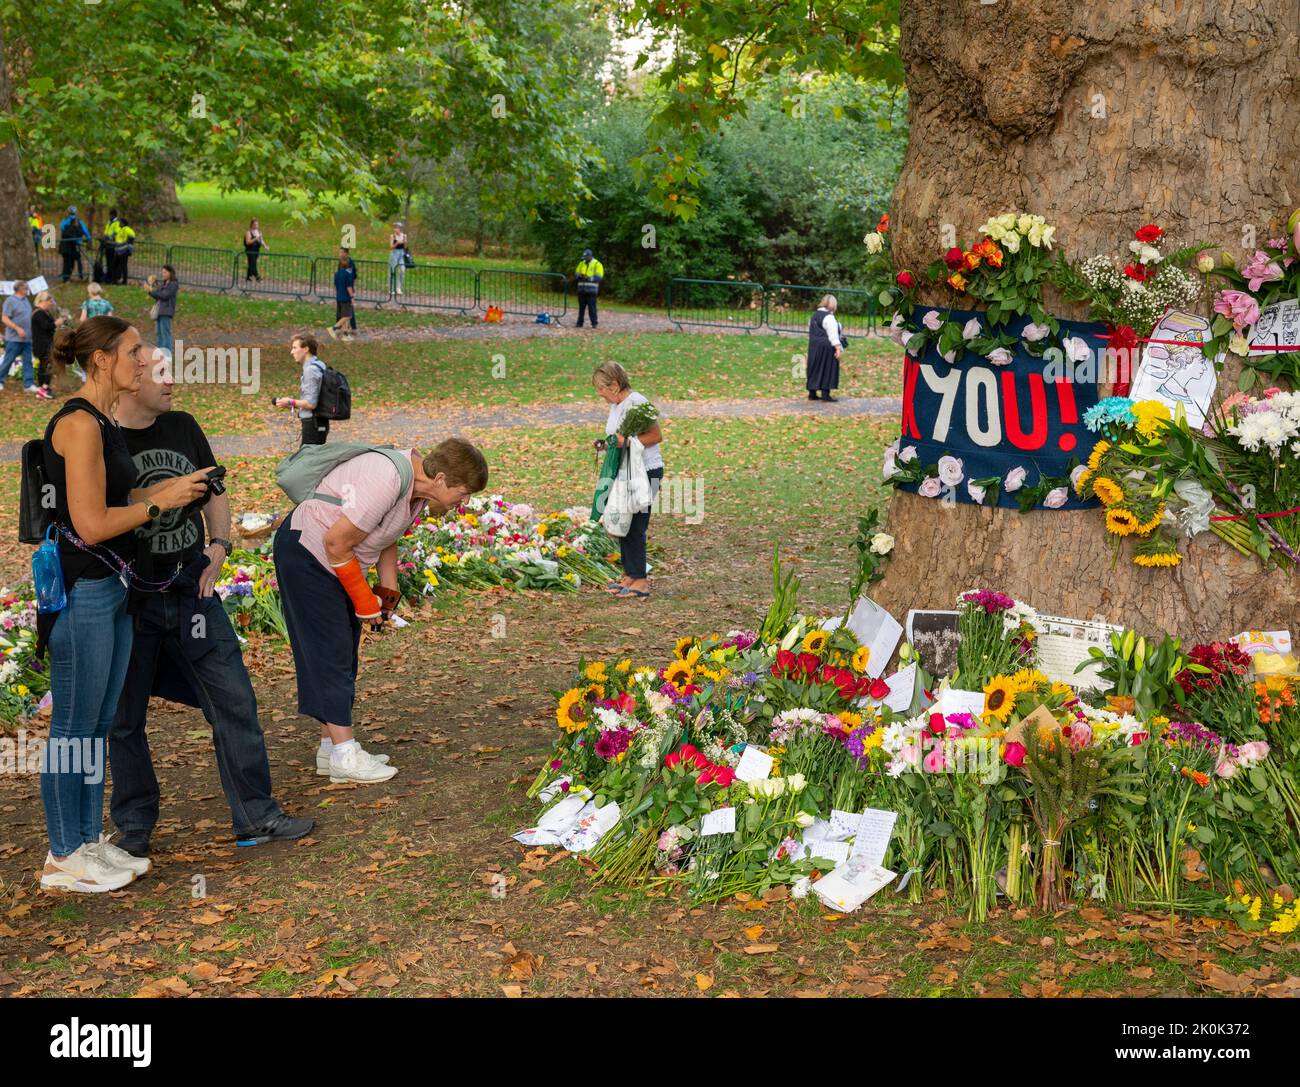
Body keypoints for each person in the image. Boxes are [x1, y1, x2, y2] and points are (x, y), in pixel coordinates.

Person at [109, 359, 314, 856]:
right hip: (128, 600)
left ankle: (256, 817)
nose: (171, 380)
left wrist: (219, 546)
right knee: (125, 718)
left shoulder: (181, 426)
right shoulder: (102, 438)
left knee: (234, 702)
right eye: (159, 372)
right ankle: (134, 828)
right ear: (130, 379)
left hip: (191, 592)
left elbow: (213, 488)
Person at [37, 317, 211, 892]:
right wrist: (158, 504)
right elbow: (89, 523)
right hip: (84, 588)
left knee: (97, 723)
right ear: (104, 360)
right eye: (135, 351)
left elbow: (115, 497)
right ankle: (64, 853)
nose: (145, 361)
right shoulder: (80, 424)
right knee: (73, 727)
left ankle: (89, 841)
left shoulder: (103, 421)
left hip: (114, 585)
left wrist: (165, 492)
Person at [274, 438, 488, 783]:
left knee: (343, 655)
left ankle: (331, 750)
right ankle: (346, 756)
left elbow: (387, 534)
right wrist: (363, 602)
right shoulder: (386, 478)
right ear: (442, 479)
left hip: (337, 562)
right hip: (308, 554)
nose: (464, 504)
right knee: (330, 655)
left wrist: (386, 597)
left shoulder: (417, 490)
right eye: (463, 494)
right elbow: (336, 542)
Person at [592, 362, 663, 599]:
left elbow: (655, 435)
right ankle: (630, 575)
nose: (599, 393)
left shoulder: (637, 402)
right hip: (624, 472)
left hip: (646, 472)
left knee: (636, 524)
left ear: (615, 385)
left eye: (601, 388)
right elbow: (619, 438)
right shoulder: (617, 405)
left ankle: (641, 581)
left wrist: (628, 442)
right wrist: (606, 444)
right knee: (623, 521)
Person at [273, 333, 330, 446]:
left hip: (313, 425)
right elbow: (316, 400)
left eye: (295, 348)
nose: (291, 352)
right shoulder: (319, 365)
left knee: (308, 461)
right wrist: (292, 405)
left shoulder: (311, 370)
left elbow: (311, 404)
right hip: (318, 423)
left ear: (306, 349)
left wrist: (290, 401)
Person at [1, 280, 37, 393]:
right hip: (14, 339)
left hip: (27, 339)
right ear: (20, 289)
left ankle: (28, 384)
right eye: (26, 288)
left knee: (28, 361)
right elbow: (4, 318)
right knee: (8, 360)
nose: (27, 290)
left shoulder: (26, 300)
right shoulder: (10, 301)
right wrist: (17, 328)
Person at [806, 293, 843, 403]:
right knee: (828, 368)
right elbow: (833, 335)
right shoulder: (829, 317)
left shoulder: (814, 315)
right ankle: (825, 394)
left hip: (814, 345)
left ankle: (812, 393)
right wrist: (838, 348)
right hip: (827, 347)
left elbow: (811, 329)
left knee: (814, 367)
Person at [31, 290, 67, 401]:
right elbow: (46, 326)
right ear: (43, 301)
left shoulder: (44, 312)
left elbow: (50, 325)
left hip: (46, 343)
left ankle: (43, 388)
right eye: (50, 301)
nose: (52, 303)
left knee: (44, 366)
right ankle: (44, 388)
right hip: (43, 344)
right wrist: (57, 323)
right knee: (48, 366)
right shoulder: (38, 313)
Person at [145, 265, 178, 356]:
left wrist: (150, 292)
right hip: (160, 311)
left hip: (166, 311)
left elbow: (164, 295)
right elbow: (158, 294)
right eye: (162, 272)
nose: (163, 274)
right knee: (159, 333)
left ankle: (166, 354)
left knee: (165, 334)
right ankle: (160, 352)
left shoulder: (173, 284)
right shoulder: (164, 283)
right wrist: (152, 285)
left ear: (170, 273)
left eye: (165, 272)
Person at [328, 248, 358, 340]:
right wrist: (352, 296)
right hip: (346, 297)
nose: (339, 254)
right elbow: (349, 286)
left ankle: (345, 334)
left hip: (339, 296)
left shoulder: (337, 273)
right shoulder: (347, 274)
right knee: (348, 315)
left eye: (341, 252)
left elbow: (336, 285)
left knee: (344, 315)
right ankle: (334, 328)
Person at [575, 248, 603, 329]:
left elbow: (599, 277)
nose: (585, 259)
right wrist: (579, 275)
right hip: (581, 289)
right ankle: (579, 323)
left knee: (592, 308)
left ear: (590, 256)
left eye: (586, 258)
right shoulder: (582, 263)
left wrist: (588, 278)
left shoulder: (597, 264)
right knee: (581, 308)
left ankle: (594, 323)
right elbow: (576, 272)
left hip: (591, 290)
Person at [59, 206, 89, 283]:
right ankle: (66, 278)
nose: (72, 215)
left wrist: (87, 238)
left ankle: (71, 276)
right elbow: (65, 232)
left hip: (73, 246)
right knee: (68, 262)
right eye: (71, 213)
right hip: (67, 246)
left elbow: (85, 230)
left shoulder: (78, 222)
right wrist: (85, 238)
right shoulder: (66, 222)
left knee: (72, 261)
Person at [96, 209, 121, 284]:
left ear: (113, 215)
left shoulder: (117, 223)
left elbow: (117, 233)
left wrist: (108, 237)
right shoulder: (109, 223)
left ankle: (112, 278)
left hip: (113, 246)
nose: (109, 216)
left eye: (110, 215)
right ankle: (108, 277)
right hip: (107, 245)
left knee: (112, 263)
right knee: (108, 262)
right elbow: (106, 232)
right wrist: (104, 237)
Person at [113, 218, 137, 284]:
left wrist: (127, 244)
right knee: (116, 265)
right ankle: (116, 280)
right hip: (118, 251)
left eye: (120, 222)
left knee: (123, 266)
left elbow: (132, 235)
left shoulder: (127, 229)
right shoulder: (120, 230)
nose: (119, 224)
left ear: (123, 223)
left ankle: (124, 281)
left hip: (123, 251)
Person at [388, 222, 408, 297]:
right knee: (392, 270)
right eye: (395, 227)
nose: (396, 229)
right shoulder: (392, 236)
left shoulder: (404, 236)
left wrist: (405, 242)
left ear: (400, 229)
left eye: (397, 228)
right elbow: (391, 247)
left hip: (401, 253)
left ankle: (398, 287)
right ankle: (391, 288)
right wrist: (396, 243)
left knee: (402, 270)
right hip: (394, 253)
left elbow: (405, 247)